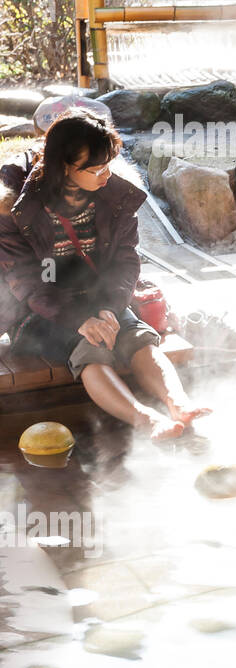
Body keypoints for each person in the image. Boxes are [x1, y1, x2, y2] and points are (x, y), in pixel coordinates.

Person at [0, 109, 208, 440]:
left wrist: (110, 306)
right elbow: (26, 280)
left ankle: (178, 404)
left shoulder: (115, 197)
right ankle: (148, 420)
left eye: (109, 164)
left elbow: (126, 260)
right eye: (96, 168)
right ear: (65, 166)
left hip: (98, 297)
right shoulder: (15, 206)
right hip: (37, 310)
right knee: (89, 346)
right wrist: (79, 319)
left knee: (137, 338)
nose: (106, 175)